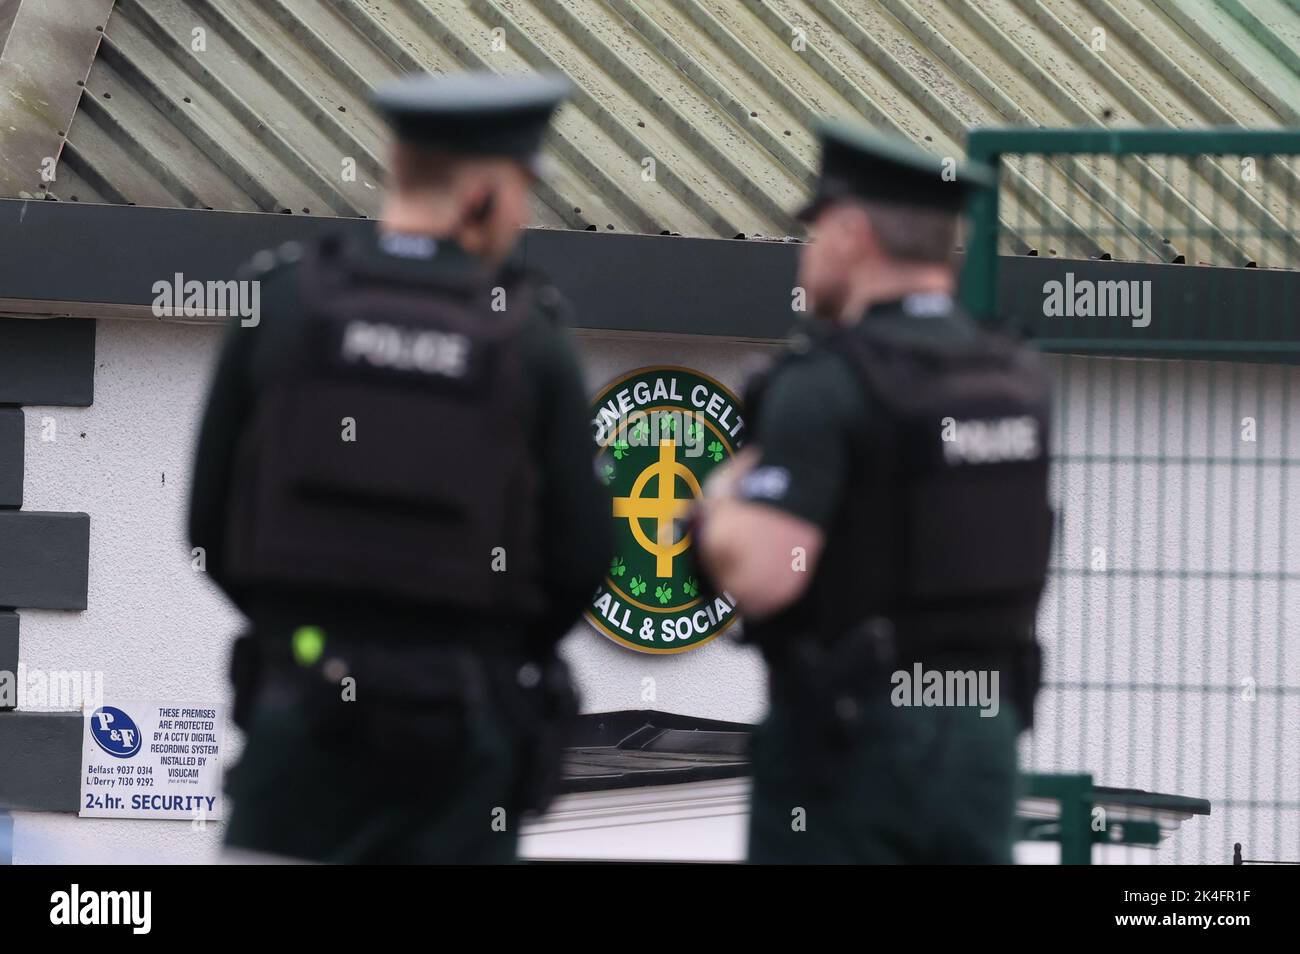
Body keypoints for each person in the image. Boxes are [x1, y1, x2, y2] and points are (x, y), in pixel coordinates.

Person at [188, 72, 611, 863]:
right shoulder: (530, 336)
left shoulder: (280, 302)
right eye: (523, 190)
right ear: (481, 193)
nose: (524, 215)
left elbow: (206, 526)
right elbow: (583, 561)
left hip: (300, 724)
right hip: (459, 750)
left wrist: (306, 629)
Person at [697, 120, 1054, 863]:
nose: (806, 249)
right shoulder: (1016, 378)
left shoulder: (826, 382)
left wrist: (717, 510)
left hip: (859, 739)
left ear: (854, 232)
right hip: (982, 736)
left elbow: (768, 575)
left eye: (815, 229)